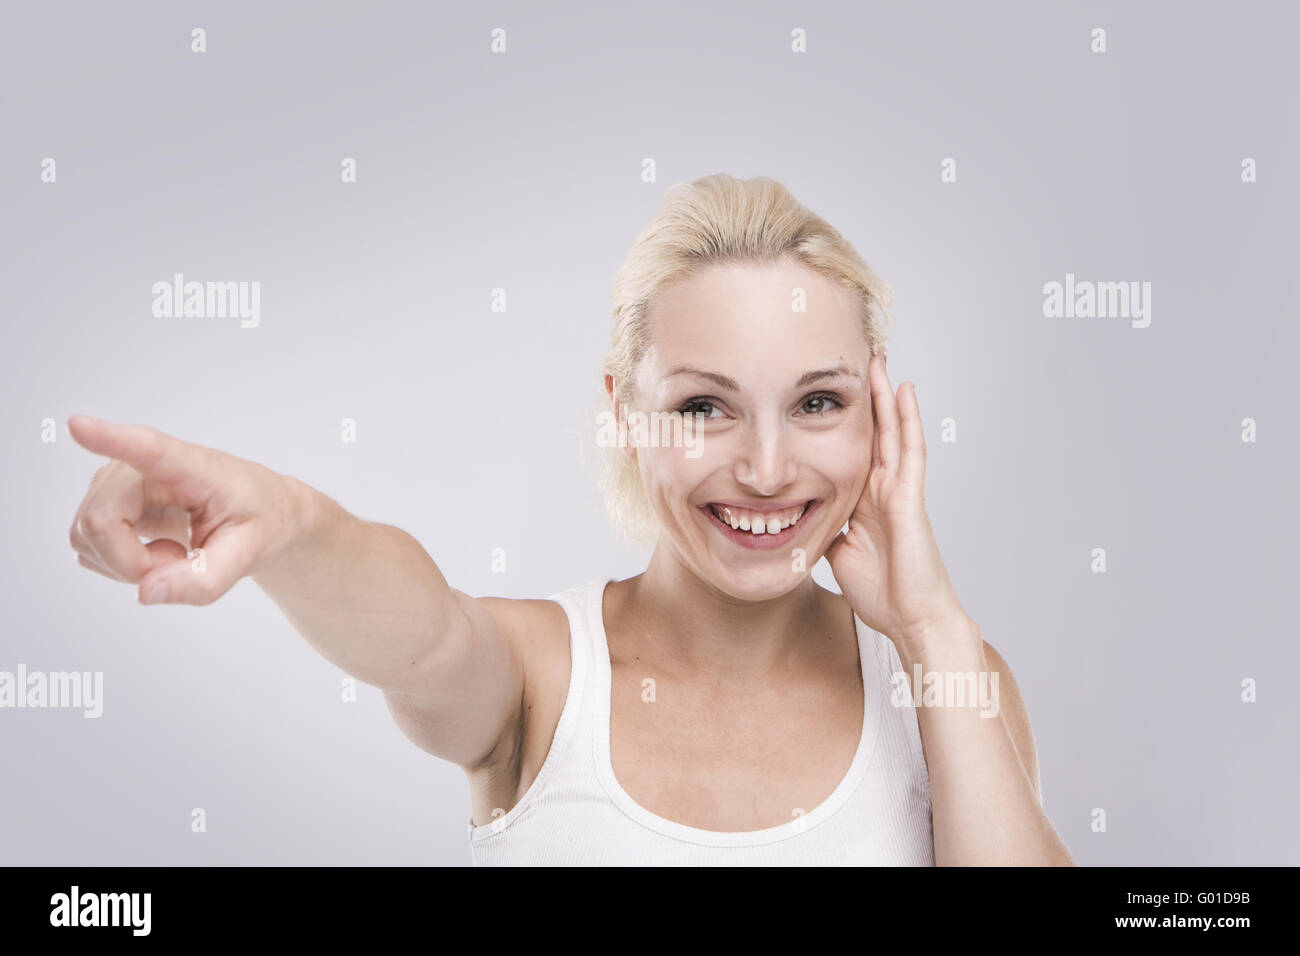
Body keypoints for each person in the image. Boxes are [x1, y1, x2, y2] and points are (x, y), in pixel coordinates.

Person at [65, 173, 1074, 866]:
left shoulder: (946, 680)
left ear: (879, 414)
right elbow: (419, 631)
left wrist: (933, 623)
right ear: (626, 412)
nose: (767, 469)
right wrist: (286, 522)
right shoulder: (541, 679)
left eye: (817, 401)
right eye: (701, 405)